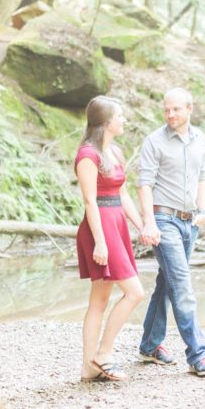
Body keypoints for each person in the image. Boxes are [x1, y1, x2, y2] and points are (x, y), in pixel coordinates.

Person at [137, 87, 205, 377]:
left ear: (190, 110)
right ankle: (198, 355)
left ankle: (149, 346)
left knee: (168, 282)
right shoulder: (154, 141)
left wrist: (203, 211)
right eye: (166, 110)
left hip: (190, 222)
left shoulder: (200, 139)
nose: (170, 114)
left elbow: (202, 177)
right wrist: (148, 222)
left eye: (176, 109)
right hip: (164, 221)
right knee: (182, 286)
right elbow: (144, 184)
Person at [74, 96, 145, 382]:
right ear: (106, 122)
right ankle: (103, 354)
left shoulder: (115, 151)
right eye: (120, 115)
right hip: (100, 226)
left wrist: (140, 225)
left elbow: (123, 194)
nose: (124, 119)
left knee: (99, 301)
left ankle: (88, 369)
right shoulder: (87, 156)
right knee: (134, 292)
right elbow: (90, 201)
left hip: (116, 222)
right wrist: (100, 242)